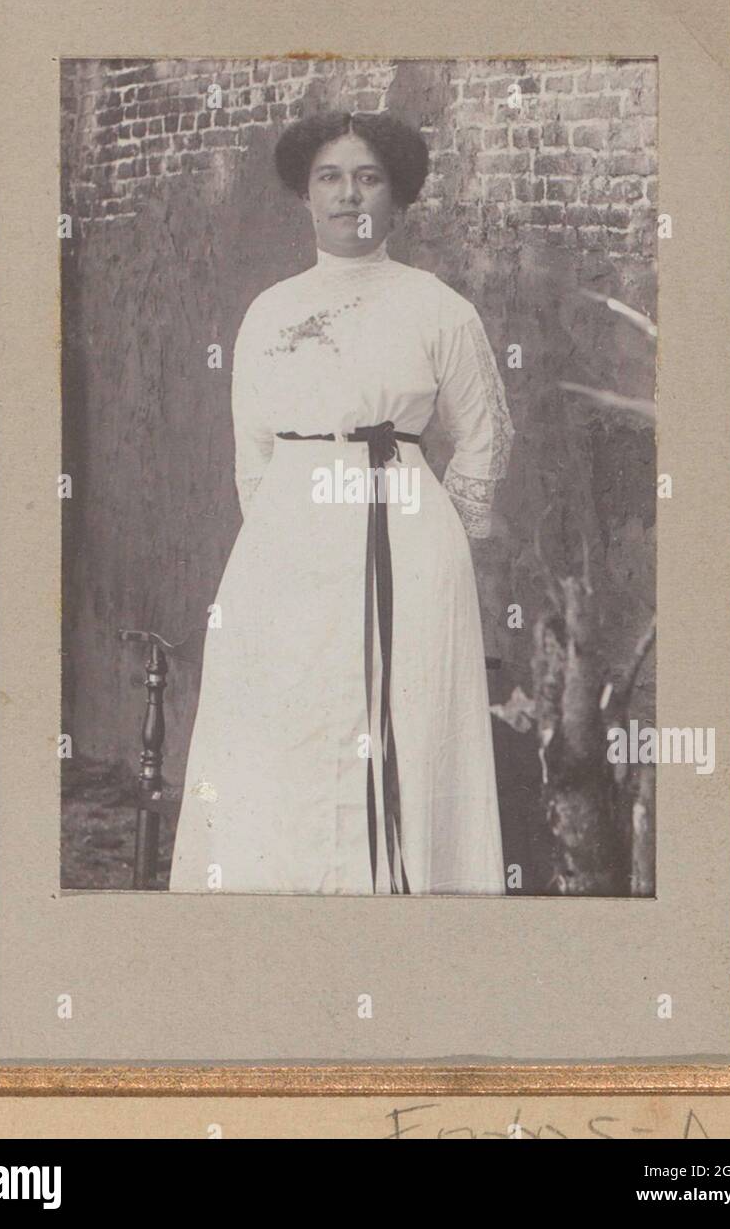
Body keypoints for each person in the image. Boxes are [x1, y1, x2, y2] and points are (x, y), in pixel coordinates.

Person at [169, 110, 515, 895]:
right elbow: (252, 451)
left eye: (368, 177)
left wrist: (438, 543)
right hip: (288, 549)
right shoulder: (270, 311)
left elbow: (481, 435)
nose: (347, 194)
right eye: (329, 176)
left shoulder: (439, 308)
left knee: (405, 721)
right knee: (280, 720)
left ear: (396, 195)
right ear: (304, 193)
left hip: (405, 542)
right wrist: (290, 542)